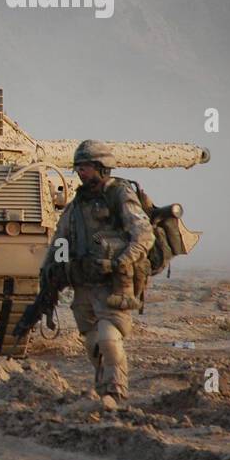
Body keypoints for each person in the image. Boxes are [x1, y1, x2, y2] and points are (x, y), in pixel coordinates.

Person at [48, 140, 154, 410]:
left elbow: (143, 234)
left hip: (115, 282)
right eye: (78, 168)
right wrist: (53, 271)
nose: (80, 173)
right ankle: (103, 389)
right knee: (93, 342)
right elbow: (61, 239)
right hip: (84, 283)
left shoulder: (119, 194)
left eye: (84, 167)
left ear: (100, 167)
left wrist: (122, 261)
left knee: (109, 338)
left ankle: (117, 393)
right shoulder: (77, 204)